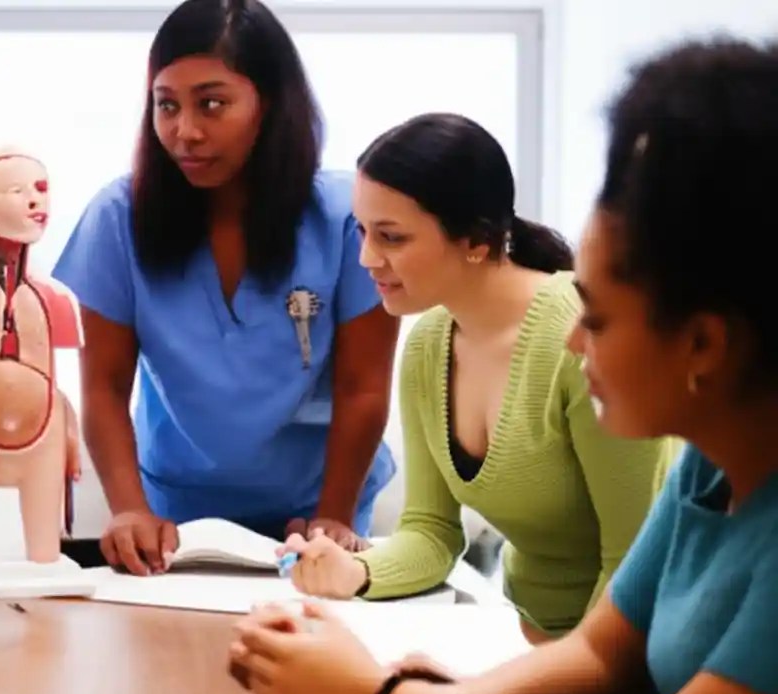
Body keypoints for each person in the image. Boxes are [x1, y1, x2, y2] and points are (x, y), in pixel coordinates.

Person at [230, 36, 778, 694]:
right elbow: (604, 657)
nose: (578, 337)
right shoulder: (709, 468)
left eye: (601, 317)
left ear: (703, 344)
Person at [279, 112, 679, 643]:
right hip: (537, 638)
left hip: (638, 653)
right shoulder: (427, 345)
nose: (366, 258)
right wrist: (357, 570)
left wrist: (570, 682)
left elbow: (633, 567)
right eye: (363, 231)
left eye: (392, 237)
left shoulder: (580, 343)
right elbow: (430, 533)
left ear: (476, 239)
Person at [52, 0, 400, 576]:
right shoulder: (119, 217)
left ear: (270, 103)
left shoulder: (344, 216)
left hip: (318, 511)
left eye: (212, 104)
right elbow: (105, 389)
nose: (185, 132)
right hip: (177, 521)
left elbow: (364, 386)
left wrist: (332, 516)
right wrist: (128, 511)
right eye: (167, 106)